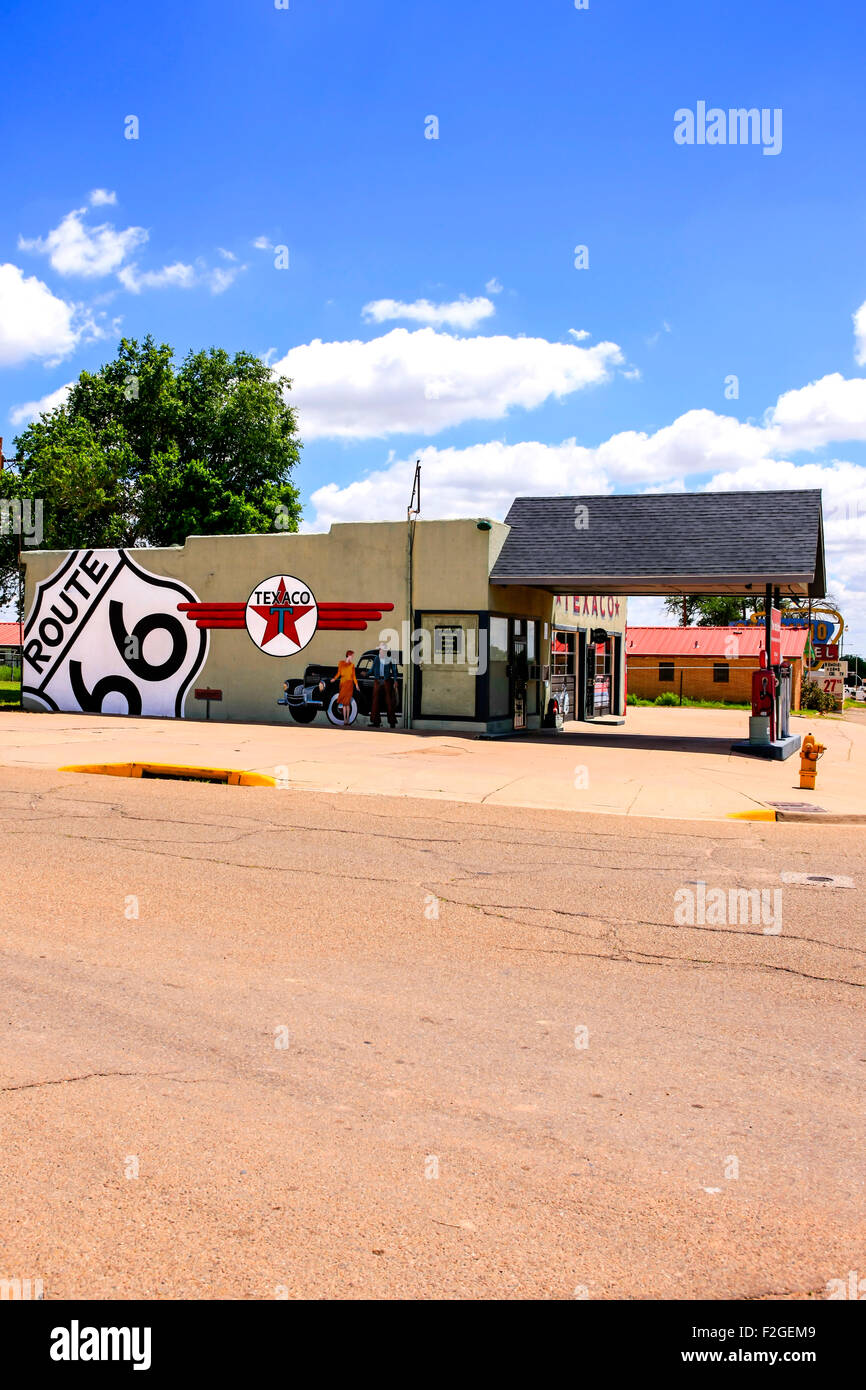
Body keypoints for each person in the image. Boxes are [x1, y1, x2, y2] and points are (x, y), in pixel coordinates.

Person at [370, 643, 399, 728]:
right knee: (375, 700)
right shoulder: (376, 659)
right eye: (380, 650)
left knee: (389, 701)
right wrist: (366, 673)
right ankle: (376, 722)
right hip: (377, 680)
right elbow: (372, 669)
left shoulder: (390, 659)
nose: (381, 651)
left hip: (386, 680)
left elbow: (394, 670)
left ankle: (392, 722)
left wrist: (395, 680)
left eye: (382, 650)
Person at [330, 649, 359, 726]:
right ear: (348, 655)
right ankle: (345, 720)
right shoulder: (341, 663)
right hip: (342, 684)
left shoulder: (352, 665)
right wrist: (334, 678)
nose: (352, 657)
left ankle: (347, 720)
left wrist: (356, 684)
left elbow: (354, 676)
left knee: (347, 703)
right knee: (344, 704)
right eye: (352, 656)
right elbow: (339, 673)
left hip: (349, 685)